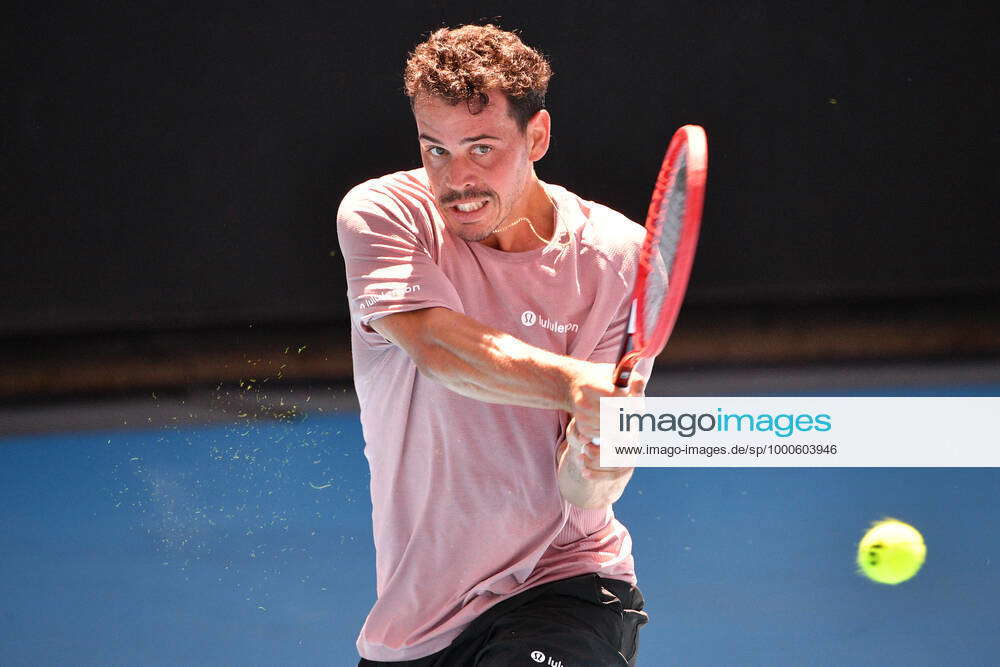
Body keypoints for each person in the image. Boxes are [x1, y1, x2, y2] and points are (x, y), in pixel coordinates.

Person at [336, 24, 654, 666]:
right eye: (438, 150)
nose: (458, 179)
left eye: (482, 148)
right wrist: (571, 382)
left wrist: (600, 459)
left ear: (536, 135)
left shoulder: (618, 256)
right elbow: (436, 345)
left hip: (564, 585)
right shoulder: (383, 214)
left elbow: (585, 490)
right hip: (416, 621)